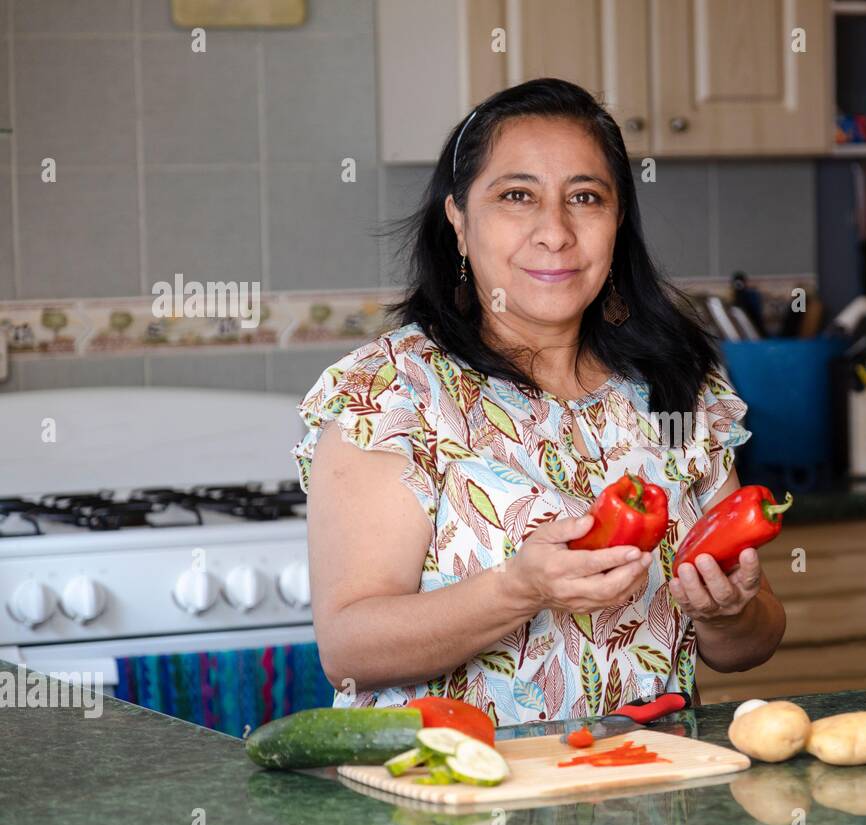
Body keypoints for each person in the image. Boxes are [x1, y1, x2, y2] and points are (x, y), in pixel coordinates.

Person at [291, 78, 786, 724]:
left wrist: (730, 611)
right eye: (517, 196)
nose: (555, 232)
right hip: (452, 801)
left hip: (653, 795)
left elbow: (751, 644)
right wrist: (517, 590)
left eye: (585, 197)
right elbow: (350, 650)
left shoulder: (677, 387)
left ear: (617, 224)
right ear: (459, 222)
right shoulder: (391, 393)